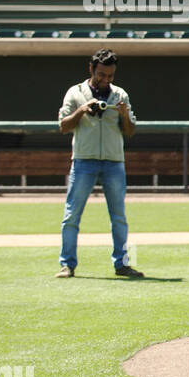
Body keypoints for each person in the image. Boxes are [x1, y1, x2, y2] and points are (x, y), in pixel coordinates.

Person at [55, 48, 143, 278]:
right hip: (83, 161)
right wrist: (82, 110)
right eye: (101, 74)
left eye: (110, 76)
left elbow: (130, 131)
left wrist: (124, 114)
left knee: (119, 217)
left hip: (114, 162)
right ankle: (67, 265)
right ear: (91, 69)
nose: (106, 80)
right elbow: (63, 126)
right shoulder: (75, 93)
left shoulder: (120, 95)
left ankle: (122, 265)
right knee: (72, 215)